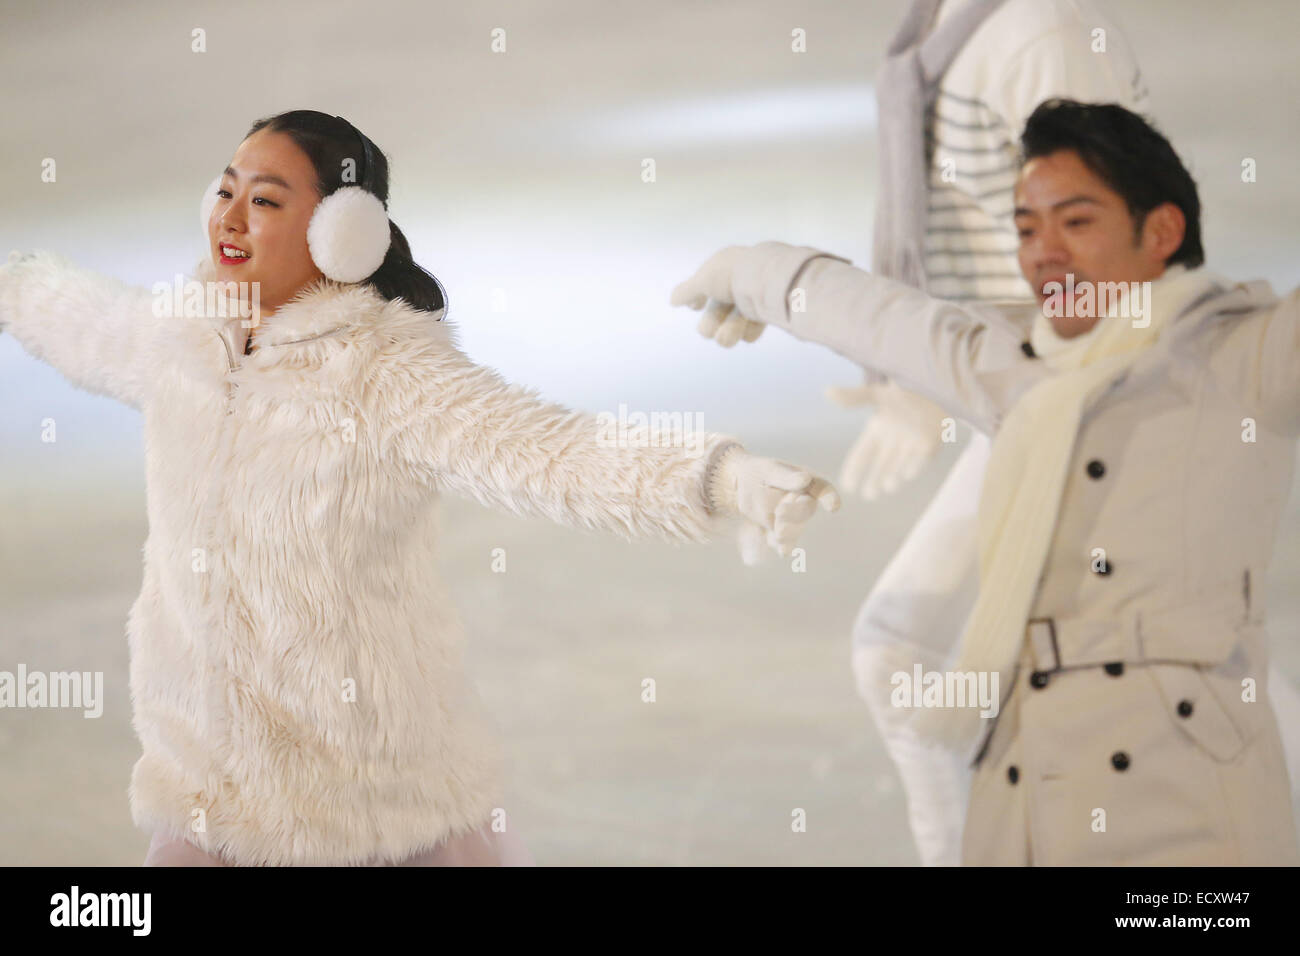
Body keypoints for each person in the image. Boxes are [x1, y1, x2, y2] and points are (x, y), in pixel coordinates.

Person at [0, 109, 839, 867]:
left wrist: (722, 477)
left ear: (342, 231)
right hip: (208, 802)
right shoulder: (177, 340)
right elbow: (79, 314)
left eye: (264, 200)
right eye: (224, 191)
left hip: (374, 812)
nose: (228, 216)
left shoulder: (383, 373)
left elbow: (550, 451)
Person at [673, 98, 1300, 865]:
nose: (1045, 253)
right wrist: (754, 271)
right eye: (1028, 228)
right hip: (1034, 785)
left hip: (1192, 812)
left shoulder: (1247, 357)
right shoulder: (1015, 364)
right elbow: (886, 320)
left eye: (1076, 223)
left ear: (1161, 231)